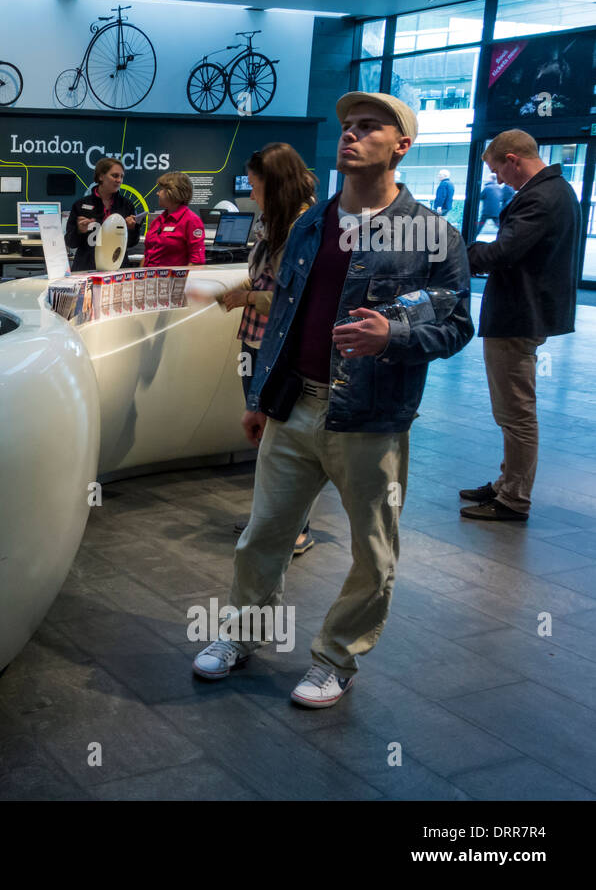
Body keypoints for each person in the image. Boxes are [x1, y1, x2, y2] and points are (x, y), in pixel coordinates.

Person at [192, 92, 474, 707]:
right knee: (263, 535)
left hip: (370, 418)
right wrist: (261, 398)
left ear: (402, 145)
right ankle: (242, 635)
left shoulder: (431, 234)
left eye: (369, 128)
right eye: (347, 126)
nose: (351, 135)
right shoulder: (312, 225)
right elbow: (286, 317)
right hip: (294, 409)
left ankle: (335, 658)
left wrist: (392, 335)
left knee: (372, 551)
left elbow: (455, 325)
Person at [460, 130, 581, 522]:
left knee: (515, 412)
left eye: (498, 171)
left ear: (513, 160)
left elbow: (502, 251)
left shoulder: (541, 197)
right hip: (525, 312)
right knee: (513, 410)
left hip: (519, 315)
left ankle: (513, 498)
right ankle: (506, 482)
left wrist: (459, 254)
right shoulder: (555, 190)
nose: (498, 180)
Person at [219, 144, 317, 556]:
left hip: (279, 348)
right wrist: (235, 293)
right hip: (256, 341)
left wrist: (246, 300)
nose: (252, 196)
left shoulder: (303, 228)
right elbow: (263, 282)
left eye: (256, 188)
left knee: (285, 440)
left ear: (275, 186)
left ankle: (296, 526)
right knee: (266, 437)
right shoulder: (274, 223)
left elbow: (295, 299)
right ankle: (273, 519)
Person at [65, 157, 140, 272]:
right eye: (115, 175)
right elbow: (70, 242)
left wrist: (132, 229)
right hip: (86, 269)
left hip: (117, 270)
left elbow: (131, 243)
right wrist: (79, 231)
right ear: (100, 176)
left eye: (121, 176)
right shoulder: (81, 205)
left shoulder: (127, 205)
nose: (119, 180)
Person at [142, 172, 204, 268]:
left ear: (173, 192)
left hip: (172, 281)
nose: (157, 193)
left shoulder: (191, 221)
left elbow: (197, 263)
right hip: (148, 280)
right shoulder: (157, 221)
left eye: (161, 189)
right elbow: (147, 255)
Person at [475, 172, 506, 238]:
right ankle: (504, 236)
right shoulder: (498, 188)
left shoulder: (487, 188)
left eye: (488, 178)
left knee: (480, 225)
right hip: (496, 211)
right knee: (499, 225)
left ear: (491, 179)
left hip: (487, 211)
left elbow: (481, 196)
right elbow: (501, 198)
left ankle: (473, 237)